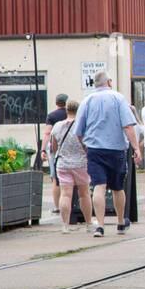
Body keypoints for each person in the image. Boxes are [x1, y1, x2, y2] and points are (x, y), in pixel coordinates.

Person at [71, 71, 141, 237]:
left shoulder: (87, 101)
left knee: (98, 187)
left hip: (95, 150)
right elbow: (128, 126)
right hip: (116, 150)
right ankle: (120, 223)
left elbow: (78, 132)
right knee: (117, 187)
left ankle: (100, 226)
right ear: (109, 82)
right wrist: (136, 147)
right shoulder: (118, 98)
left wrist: (85, 148)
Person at [50, 99, 93, 235]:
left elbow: (54, 147)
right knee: (84, 194)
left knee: (66, 195)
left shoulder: (57, 126)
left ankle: (65, 225)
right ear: (78, 110)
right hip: (81, 163)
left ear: (67, 110)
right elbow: (87, 144)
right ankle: (88, 224)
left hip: (63, 164)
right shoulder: (82, 125)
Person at [42, 93, 70, 218]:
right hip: (69, 146)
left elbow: (47, 133)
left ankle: (58, 206)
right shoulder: (70, 114)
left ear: (56, 102)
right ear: (66, 102)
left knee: (55, 178)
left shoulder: (52, 116)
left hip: (55, 148)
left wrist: (43, 149)